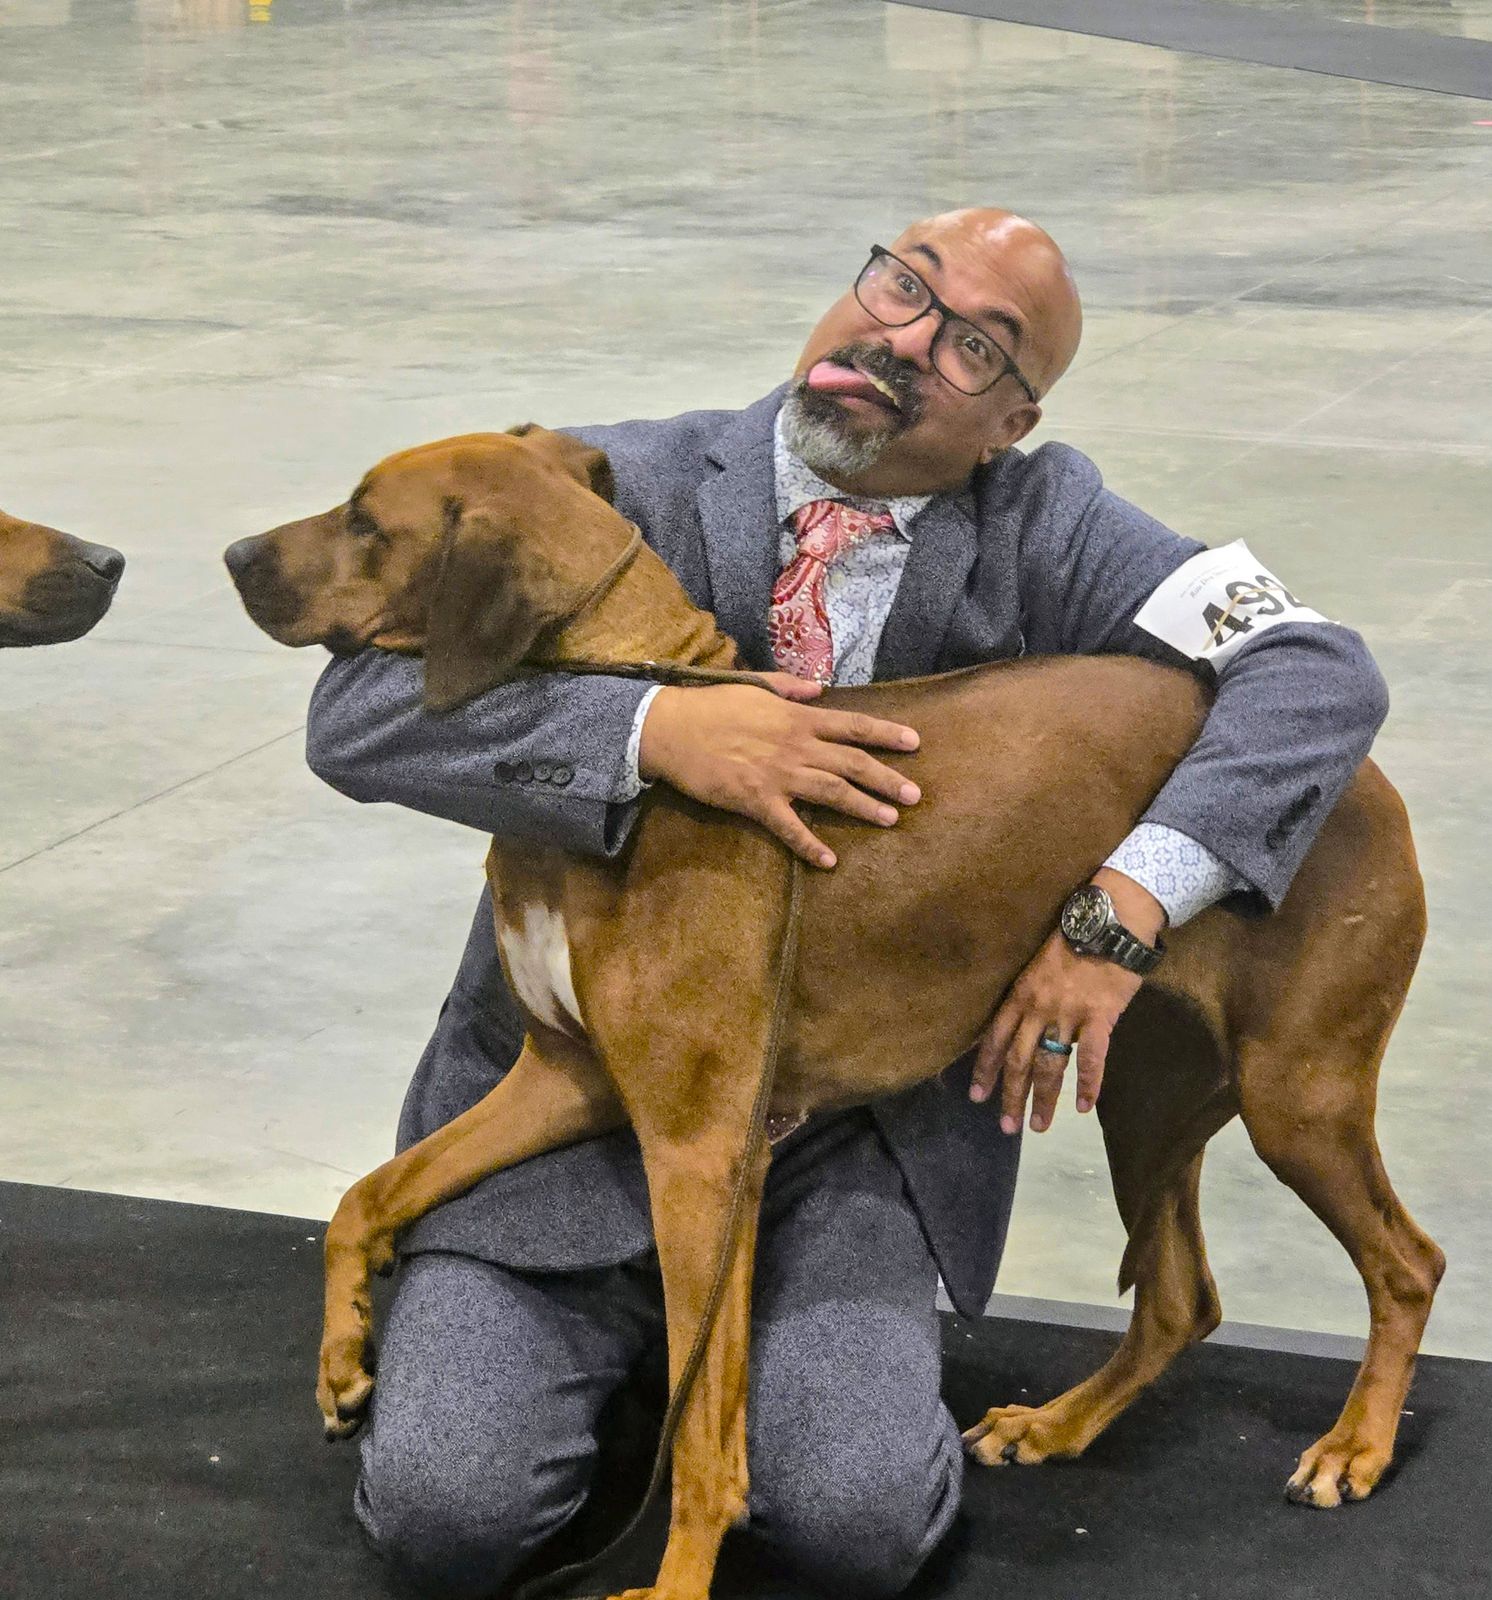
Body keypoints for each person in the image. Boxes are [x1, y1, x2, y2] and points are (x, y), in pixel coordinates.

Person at [305, 208, 1387, 1598]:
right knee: (447, 1516)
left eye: (975, 345)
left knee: (855, 1530)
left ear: (1010, 421)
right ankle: (599, 1356)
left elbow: (1316, 671)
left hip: (856, 1135)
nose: (907, 341)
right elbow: (357, 715)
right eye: (901, 286)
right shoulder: (616, 481)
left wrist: (1124, 909)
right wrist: (656, 732)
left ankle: (720, 1374)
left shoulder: (1052, 528)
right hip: (562, 1119)